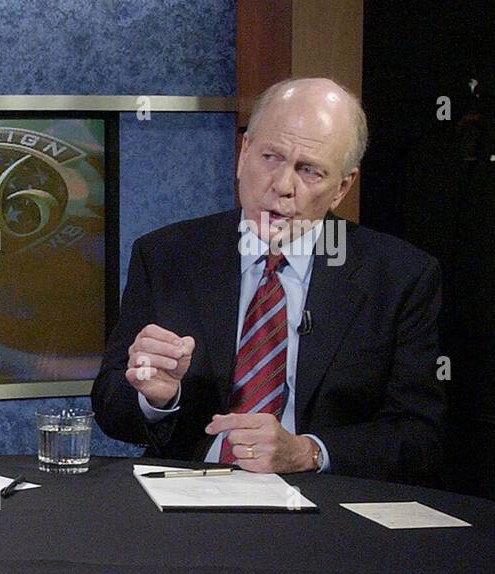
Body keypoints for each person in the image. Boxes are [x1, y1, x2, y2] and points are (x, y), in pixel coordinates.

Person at [92, 77, 443, 485]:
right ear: (244, 154)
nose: (282, 187)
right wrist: (157, 398)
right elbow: (111, 406)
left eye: (309, 170)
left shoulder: (399, 276)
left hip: (323, 505)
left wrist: (307, 452)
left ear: (342, 188)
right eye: (271, 157)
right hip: (188, 496)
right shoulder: (168, 255)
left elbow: (421, 437)